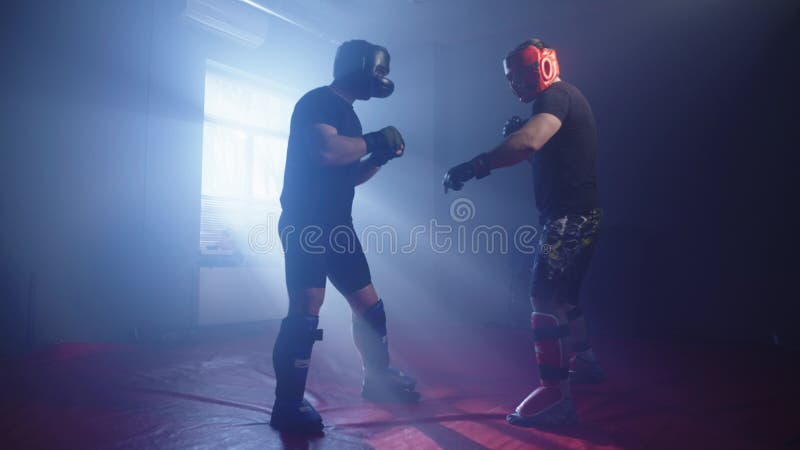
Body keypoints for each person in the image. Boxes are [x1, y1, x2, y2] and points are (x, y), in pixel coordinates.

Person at [443, 38, 604, 427]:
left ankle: (555, 398)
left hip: (569, 217)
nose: (516, 83)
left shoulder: (555, 97)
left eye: (522, 74)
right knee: (564, 296)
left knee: (543, 296)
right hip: (581, 213)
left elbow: (529, 141)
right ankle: (586, 363)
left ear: (543, 66)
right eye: (511, 77)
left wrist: (475, 165)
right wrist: (525, 141)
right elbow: (542, 149)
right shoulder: (562, 99)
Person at [270, 39, 419, 435]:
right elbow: (325, 151)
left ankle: (378, 379)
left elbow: (346, 174)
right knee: (307, 310)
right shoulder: (318, 101)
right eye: (380, 71)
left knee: (370, 307)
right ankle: (286, 405)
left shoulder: (349, 116)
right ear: (362, 67)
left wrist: (377, 158)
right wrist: (374, 141)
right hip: (307, 222)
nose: (383, 79)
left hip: (338, 224)